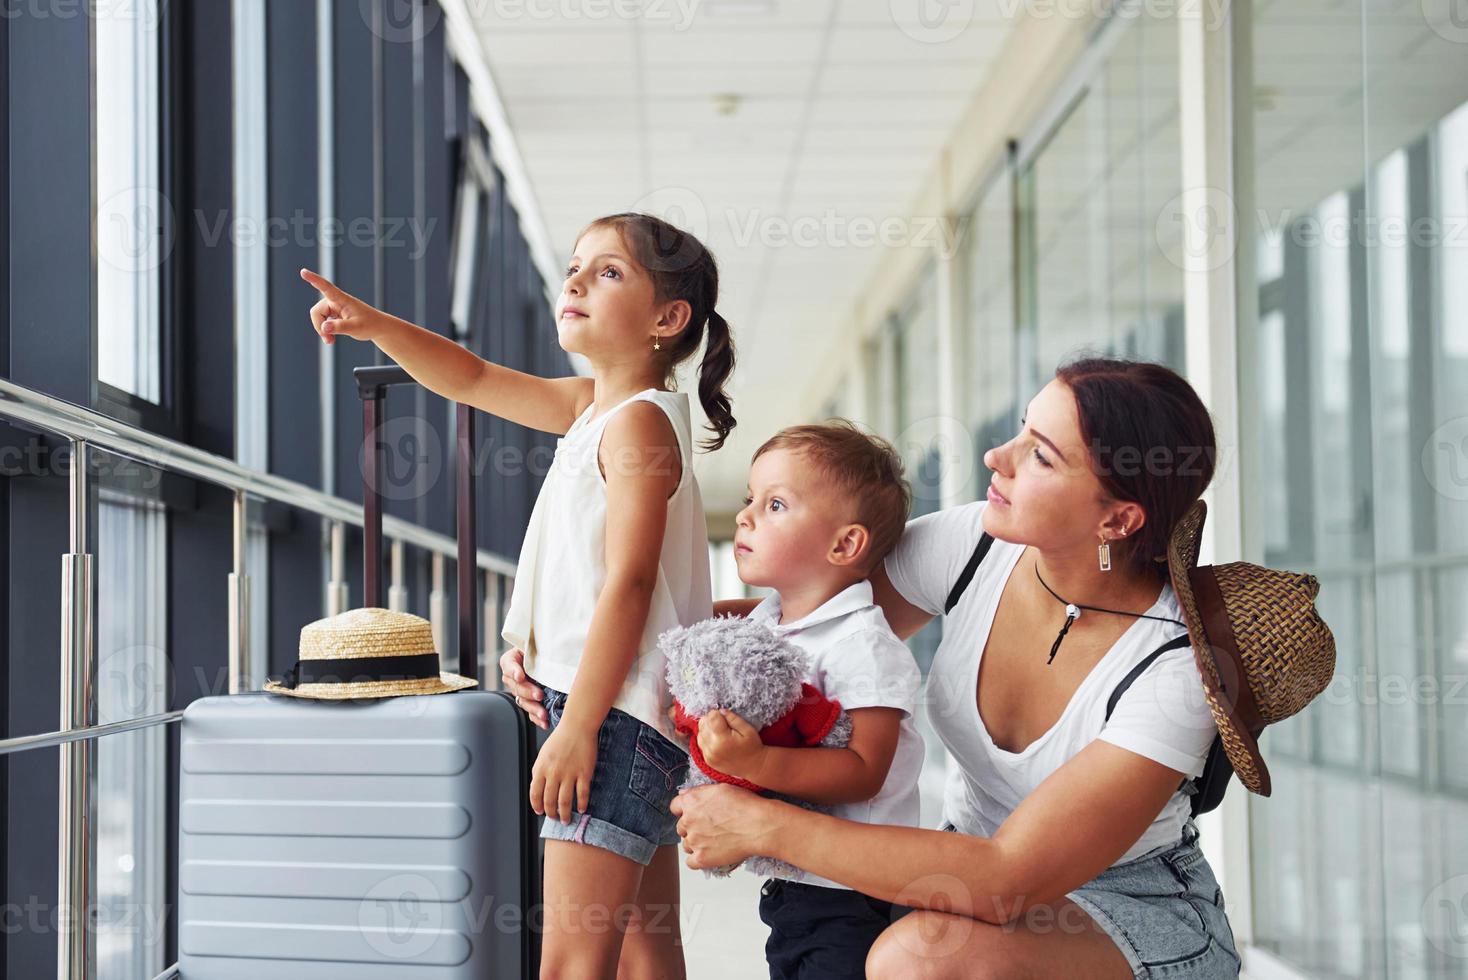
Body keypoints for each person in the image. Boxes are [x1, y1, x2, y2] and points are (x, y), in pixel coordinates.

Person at [513, 356, 1243, 978]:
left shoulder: (1172, 674)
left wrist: (761, 824)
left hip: (1124, 904)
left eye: (1041, 455)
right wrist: (583, 672)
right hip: (966, 862)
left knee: (914, 958)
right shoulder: (978, 542)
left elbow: (1008, 882)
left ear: (1117, 520)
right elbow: (803, 624)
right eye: (1021, 429)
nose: (999, 456)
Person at [301, 211, 736, 979]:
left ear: (668, 319)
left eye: (608, 272)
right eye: (576, 264)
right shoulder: (593, 410)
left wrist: (580, 729)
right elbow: (469, 377)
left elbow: (630, 587)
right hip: (622, 716)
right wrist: (377, 328)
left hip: (610, 722)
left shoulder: (636, 429)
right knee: (645, 951)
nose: (575, 280)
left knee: (571, 962)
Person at [684, 420, 923, 978]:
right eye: (749, 499)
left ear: (845, 544)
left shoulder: (863, 642)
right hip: (795, 883)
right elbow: (695, 631)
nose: (745, 516)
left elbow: (866, 770)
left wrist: (757, 763)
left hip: (855, 892)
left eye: (775, 505)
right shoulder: (770, 620)